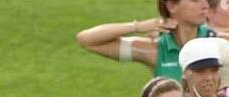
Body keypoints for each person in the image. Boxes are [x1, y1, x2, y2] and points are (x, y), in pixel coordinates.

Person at [76, 1, 210, 81]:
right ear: (171, 5)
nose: (205, 5)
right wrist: (137, 26)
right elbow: (86, 40)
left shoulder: (216, 41)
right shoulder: (155, 50)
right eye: (195, 0)